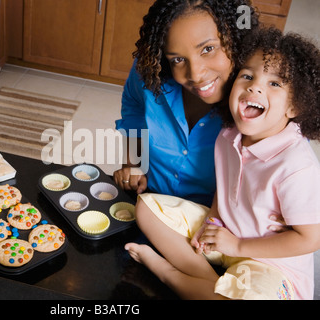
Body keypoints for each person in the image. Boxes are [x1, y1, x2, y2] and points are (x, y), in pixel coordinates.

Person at [125, 27, 320, 300]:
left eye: (275, 84)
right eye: (248, 76)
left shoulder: (297, 165)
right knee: (145, 208)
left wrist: (239, 245)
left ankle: (168, 273)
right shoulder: (229, 135)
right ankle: (210, 283)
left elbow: (310, 239)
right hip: (225, 237)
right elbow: (225, 186)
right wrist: (212, 219)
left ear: (294, 106)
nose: (255, 86)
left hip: (271, 265)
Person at [114, 0, 259, 207]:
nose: (196, 74)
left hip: (213, 224)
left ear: (235, 38)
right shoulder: (150, 72)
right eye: (177, 60)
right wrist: (134, 165)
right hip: (148, 202)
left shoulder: (262, 100)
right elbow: (134, 108)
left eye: (208, 49)